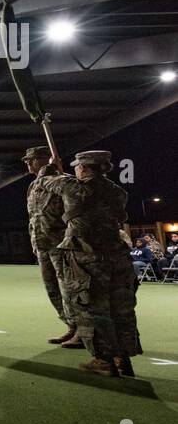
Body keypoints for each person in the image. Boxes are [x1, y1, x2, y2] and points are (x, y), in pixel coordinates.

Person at [46, 150, 141, 377]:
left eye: (78, 166)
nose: (76, 169)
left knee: (92, 310)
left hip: (87, 259)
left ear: (85, 167)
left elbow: (47, 182)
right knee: (122, 309)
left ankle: (103, 361)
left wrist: (51, 167)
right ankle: (123, 359)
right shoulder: (118, 192)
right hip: (118, 258)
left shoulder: (72, 188)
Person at [23, 146, 77, 345]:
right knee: (52, 288)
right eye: (27, 160)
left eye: (33, 159)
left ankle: (82, 330)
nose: (28, 163)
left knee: (68, 288)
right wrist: (34, 242)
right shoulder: (33, 186)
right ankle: (70, 325)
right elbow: (33, 218)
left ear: (47, 159)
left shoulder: (62, 181)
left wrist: (55, 170)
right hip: (43, 245)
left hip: (61, 244)